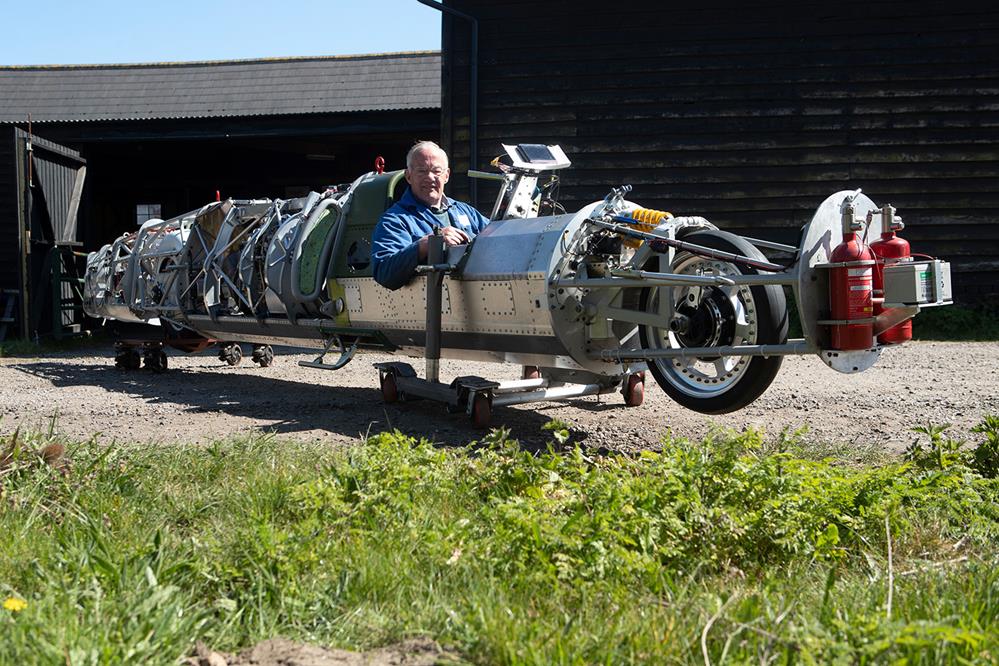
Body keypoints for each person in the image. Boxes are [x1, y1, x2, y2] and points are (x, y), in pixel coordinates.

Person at [371, 141, 490, 290]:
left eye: (436, 171)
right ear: (408, 176)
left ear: (446, 176)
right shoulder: (395, 220)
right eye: (422, 171)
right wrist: (427, 244)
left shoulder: (466, 212)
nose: (430, 177)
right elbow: (384, 273)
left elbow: (497, 239)